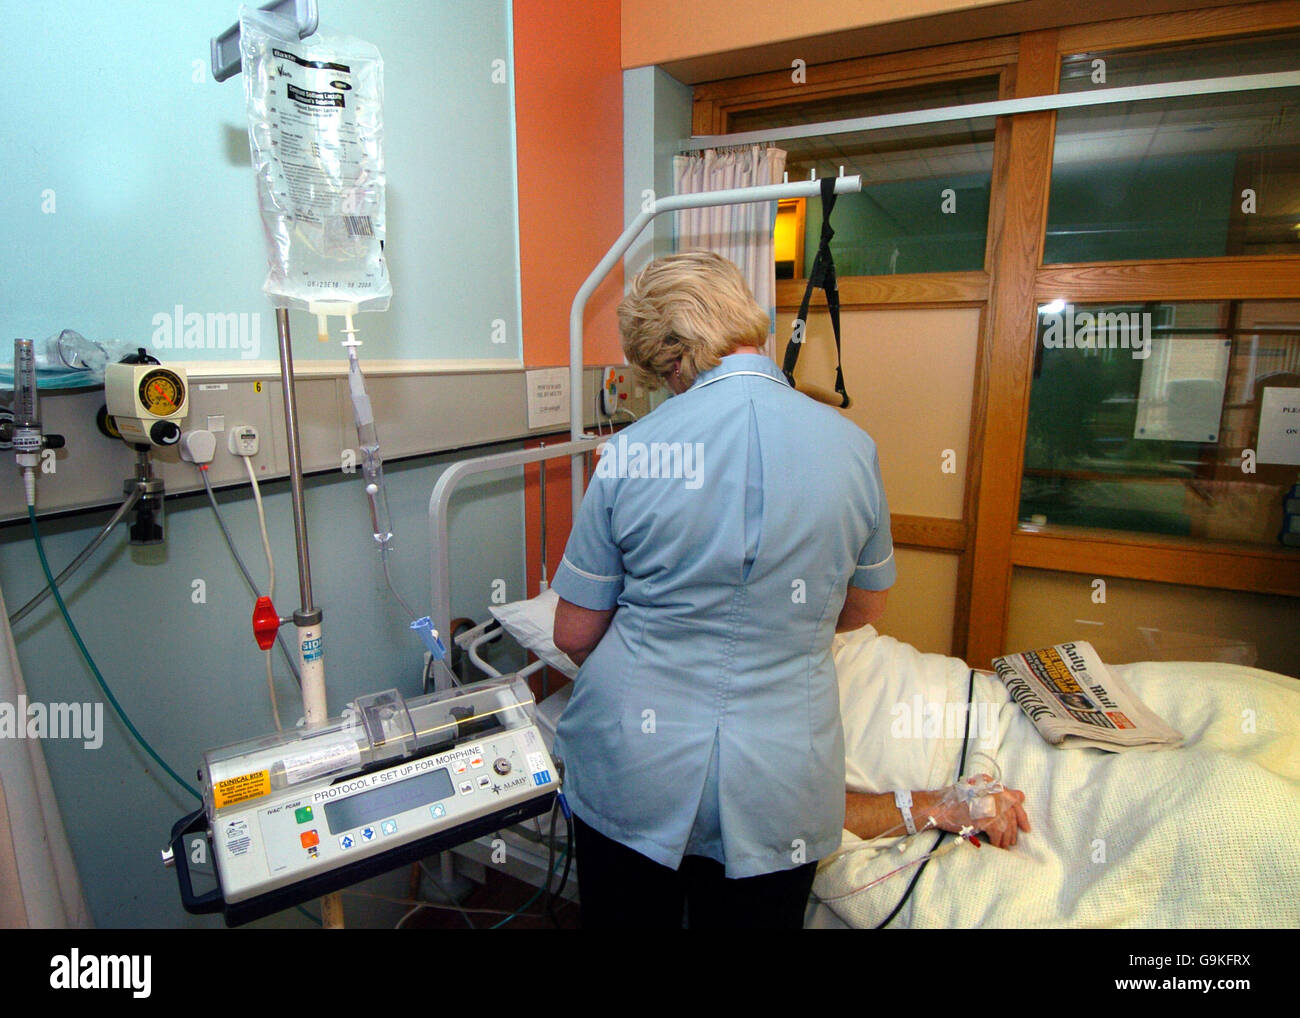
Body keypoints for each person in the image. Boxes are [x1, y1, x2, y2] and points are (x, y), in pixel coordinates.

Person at [550, 250, 897, 928]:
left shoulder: (630, 454)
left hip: (636, 767)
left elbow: (573, 634)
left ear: (669, 358)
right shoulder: (855, 449)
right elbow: (863, 608)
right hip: (780, 779)